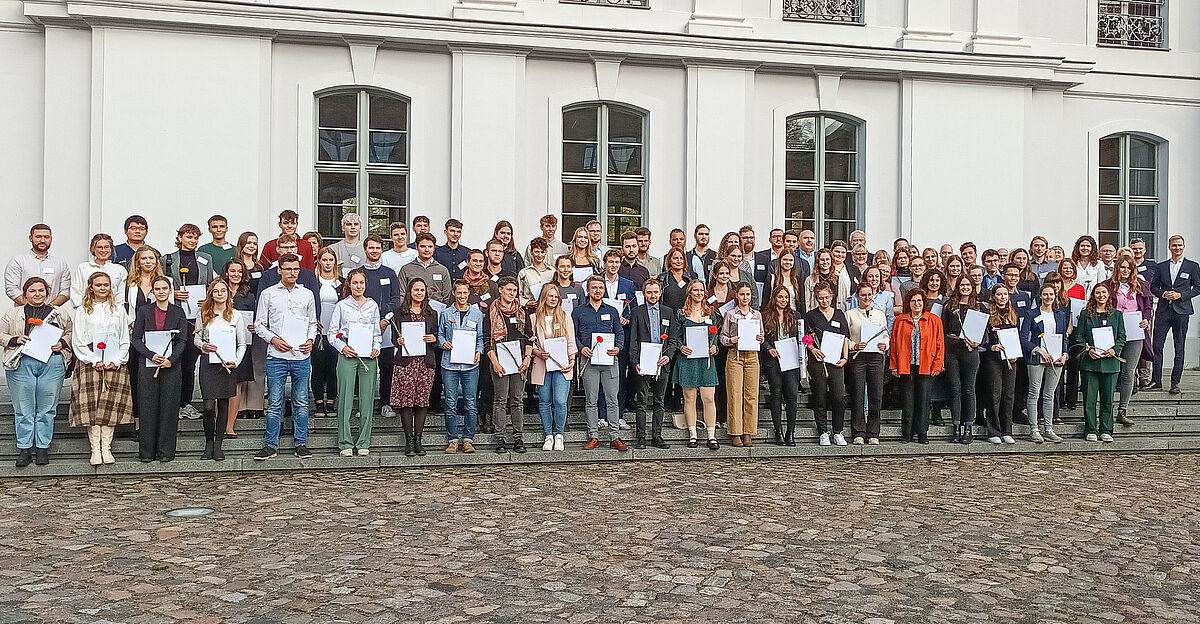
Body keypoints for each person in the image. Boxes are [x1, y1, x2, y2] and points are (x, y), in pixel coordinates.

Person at [253, 253, 318, 460]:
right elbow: (259, 325)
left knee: (301, 400)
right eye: (288, 269)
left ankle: (301, 443)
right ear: (279, 270)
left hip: (301, 355)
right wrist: (273, 340)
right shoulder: (268, 294)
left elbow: (312, 323)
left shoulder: (307, 294)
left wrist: (310, 340)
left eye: (296, 269)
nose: (292, 273)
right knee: (274, 402)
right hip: (277, 355)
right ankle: (271, 444)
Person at [2, 277, 72, 467]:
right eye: (32, 291)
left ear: (47, 293)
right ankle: (24, 448)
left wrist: (63, 343)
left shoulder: (59, 313)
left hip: (52, 362)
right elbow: (1, 334)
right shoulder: (13, 313)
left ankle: (42, 448)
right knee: (24, 408)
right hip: (21, 363)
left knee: (47, 408)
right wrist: (16, 339)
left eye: (41, 290)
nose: (37, 294)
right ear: (25, 295)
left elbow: (71, 333)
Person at [69, 272, 133, 465]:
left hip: (113, 362)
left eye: (106, 285)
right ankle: (95, 450)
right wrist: (91, 359)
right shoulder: (82, 310)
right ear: (91, 287)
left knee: (109, 406)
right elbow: (78, 340)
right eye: (99, 285)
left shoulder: (119, 309)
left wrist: (119, 359)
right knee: (93, 408)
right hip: (91, 362)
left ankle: (107, 448)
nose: (103, 288)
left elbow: (124, 338)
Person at [326, 268, 382, 456]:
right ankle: (345, 442)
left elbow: (376, 332)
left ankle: (364, 441)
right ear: (349, 285)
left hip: (368, 356)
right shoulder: (342, 306)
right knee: (346, 399)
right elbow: (332, 333)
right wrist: (343, 348)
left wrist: (377, 347)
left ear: (366, 285)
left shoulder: (372, 306)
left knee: (366, 400)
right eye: (355, 283)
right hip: (348, 355)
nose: (358, 286)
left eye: (362, 283)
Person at [193, 279, 248, 461]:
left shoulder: (236, 315)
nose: (219, 293)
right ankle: (208, 442)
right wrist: (203, 346)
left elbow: (242, 344)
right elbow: (196, 339)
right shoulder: (203, 314)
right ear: (211, 294)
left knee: (223, 404)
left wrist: (236, 362)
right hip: (209, 364)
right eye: (215, 291)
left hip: (227, 365)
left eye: (223, 290)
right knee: (209, 407)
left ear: (228, 293)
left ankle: (218, 445)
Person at [572, 275, 627, 451]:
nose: (597, 290)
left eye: (600, 288)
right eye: (594, 287)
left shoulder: (611, 311)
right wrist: (581, 348)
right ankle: (593, 435)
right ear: (588, 290)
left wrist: (618, 347)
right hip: (588, 360)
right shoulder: (578, 311)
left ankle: (614, 436)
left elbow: (619, 333)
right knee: (591, 400)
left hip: (610, 360)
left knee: (612, 399)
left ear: (604, 290)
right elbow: (573, 335)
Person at [390, 277, 439, 457]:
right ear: (410, 291)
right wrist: (398, 340)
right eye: (416, 289)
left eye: (422, 290)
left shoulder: (432, 313)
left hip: (425, 362)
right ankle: (409, 440)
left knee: (421, 402)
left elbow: (437, 337)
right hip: (406, 363)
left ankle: (419, 438)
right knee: (406, 402)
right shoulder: (399, 312)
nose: (419, 293)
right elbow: (393, 339)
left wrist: (434, 339)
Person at [669, 279, 720, 449]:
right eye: (695, 290)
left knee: (708, 398)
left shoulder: (711, 313)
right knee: (689, 397)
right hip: (688, 359)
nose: (698, 293)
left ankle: (711, 436)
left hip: (705, 361)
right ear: (689, 292)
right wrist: (681, 347)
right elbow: (675, 338)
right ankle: (693, 434)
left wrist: (714, 347)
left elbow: (716, 338)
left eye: (701, 290)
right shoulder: (681, 313)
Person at [1101, 256, 1152, 425]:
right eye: (1122, 267)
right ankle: (1106, 409)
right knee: (1112, 369)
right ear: (1117, 268)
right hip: (1114, 331)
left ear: (1132, 269)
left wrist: (1146, 319)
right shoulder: (1108, 285)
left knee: (1129, 371)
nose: (1125, 270)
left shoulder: (1141, 285)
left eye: (1128, 268)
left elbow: (1147, 306)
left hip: (1135, 329)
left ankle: (1122, 409)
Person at [890, 289, 944, 444]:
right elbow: (894, 344)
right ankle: (906, 433)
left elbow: (940, 343)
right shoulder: (900, 320)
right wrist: (894, 365)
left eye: (919, 300)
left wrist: (938, 364)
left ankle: (922, 433)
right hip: (906, 365)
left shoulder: (933, 320)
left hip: (926, 365)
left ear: (924, 302)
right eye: (913, 301)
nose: (916, 304)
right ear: (908, 303)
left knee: (924, 400)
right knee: (907, 400)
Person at [1073, 283, 1126, 442]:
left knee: (1107, 399)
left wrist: (1115, 349)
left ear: (1108, 295)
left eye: (1103, 292)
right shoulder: (1085, 314)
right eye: (1097, 293)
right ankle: (1091, 429)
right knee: (1089, 399)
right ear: (1093, 295)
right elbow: (1079, 336)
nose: (1101, 295)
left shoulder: (1117, 315)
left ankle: (1106, 429)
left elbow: (1122, 336)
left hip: (1110, 363)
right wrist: (1087, 350)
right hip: (1091, 362)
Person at [439, 280, 485, 454]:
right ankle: (452, 439)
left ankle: (468, 439)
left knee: (471, 402)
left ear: (469, 294)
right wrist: (444, 343)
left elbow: (480, 338)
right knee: (450, 402)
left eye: (465, 293)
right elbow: (440, 335)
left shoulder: (476, 314)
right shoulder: (445, 313)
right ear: (454, 293)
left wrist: (479, 351)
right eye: (459, 293)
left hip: (470, 365)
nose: (462, 296)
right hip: (449, 364)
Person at [486, 276, 531, 454]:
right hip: (499, 360)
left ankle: (518, 437)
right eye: (509, 290)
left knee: (517, 400)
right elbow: (486, 339)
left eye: (514, 290)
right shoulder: (491, 311)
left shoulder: (522, 312)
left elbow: (530, 337)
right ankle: (500, 438)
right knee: (500, 399)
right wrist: (495, 362)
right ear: (501, 290)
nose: (512, 293)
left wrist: (527, 358)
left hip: (519, 360)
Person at [1150, 235, 1200, 394]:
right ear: (1169, 247)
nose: (1177, 248)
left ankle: (1175, 382)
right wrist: (1163, 294)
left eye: (1179, 245)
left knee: (1179, 347)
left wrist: (1181, 296)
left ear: (1183, 246)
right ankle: (1156, 381)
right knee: (1157, 346)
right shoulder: (1161, 266)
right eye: (1174, 245)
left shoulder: (1192, 266)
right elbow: (1153, 287)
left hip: (1182, 311)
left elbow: (1198, 288)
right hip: (1164, 310)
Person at [1021, 283, 1070, 444]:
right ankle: (1034, 428)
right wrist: (1037, 350)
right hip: (1037, 358)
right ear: (1040, 296)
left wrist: (1065, 354)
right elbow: (1023, 338)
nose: (1048, 297)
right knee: (1034, 393)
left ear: (1055, 296)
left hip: (1056, 360)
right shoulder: (1031, 313)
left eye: (1051, 295)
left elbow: (1063, 338)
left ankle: (1048, 429)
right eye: (1045, 294)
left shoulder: (1060, 315)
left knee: (1049, 394)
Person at [629, 278, 673, 450]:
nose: (653, 295)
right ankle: (641, 437)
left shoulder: (668, 312)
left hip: (662, 363)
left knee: (659, 400)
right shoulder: (637, 312)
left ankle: (657, 435)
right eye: (649, 292)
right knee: (641, 401)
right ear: (644, 294)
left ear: (660, 292)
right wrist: (634, 362)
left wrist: (668, 356)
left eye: (655, 292)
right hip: (643, 362)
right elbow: (632, 340)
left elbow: (674, 340)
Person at [804, 283, 850, 446]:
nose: (824, 301)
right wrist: (812, 349)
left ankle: (838, 431)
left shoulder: (839, 314)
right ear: (816, 298)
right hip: (818, 362)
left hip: (836, 362)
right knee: (820, 397)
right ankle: (823, 431)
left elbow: (845, 337)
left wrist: (845, 358)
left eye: (827, 298)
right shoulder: (811, 315)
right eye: (821, 298)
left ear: (832, 297)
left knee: (838, 397)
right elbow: (806, 337)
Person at [719, 281, 763, 447]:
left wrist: (760, 339)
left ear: (751, 296)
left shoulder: (757, 315)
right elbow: (722, 338)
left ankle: (748, 431)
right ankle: (735, 432)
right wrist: (731, 340)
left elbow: (762, 335)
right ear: (736, 296)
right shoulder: (730, 314)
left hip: (752, 356)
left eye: (748, 294)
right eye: (742, 294)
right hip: (735, 356)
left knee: (751, 395)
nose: (745, 297)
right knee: (735, 394)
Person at [846, 282, 889, 446]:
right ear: (857, 296)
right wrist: (854, 345)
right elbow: (846, 338)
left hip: (876, 357)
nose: (866, 298)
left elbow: (885, 334)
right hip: (858, 356)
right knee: (857, 394)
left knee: (875, 396)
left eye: (869, 295)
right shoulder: (850, 314)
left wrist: (886, 344)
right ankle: (858, 432)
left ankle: (873, 433)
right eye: (863, 295)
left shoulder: (879, 314)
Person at [942, 276, 984, 443]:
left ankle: (968, 427)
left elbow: (986, 332)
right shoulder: (949, 305)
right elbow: (943, 328)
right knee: (955, 388)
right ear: (957, 286)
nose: (965, 287)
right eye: (962, 285)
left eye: (968, 285)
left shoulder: (979, 307)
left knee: (968, 389)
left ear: (973, 287)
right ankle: (956, 427)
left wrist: (979, 341)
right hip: (952, 349)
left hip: (970, 350)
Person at [760, 285, 801, 446]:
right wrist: (769, 349)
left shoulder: (795, 315)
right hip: (773, 361)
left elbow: (802, 336)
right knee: (776, 395)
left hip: (790, 360)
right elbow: (761, 337)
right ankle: (778, 431)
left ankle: (790, 432)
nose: (783, 300)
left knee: (791, 395)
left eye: (785, 297)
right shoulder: (766, 316)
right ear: (774, 298)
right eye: (780, 297)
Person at [980, 284, 1020, 445]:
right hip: (993, 358)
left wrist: (1016, 353)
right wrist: (992, 346)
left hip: (1011, 358)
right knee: (994, 394)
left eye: (1005, 294)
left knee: (1008, 395)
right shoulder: (988, 313)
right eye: (999, 294)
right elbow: (983, 338)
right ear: (994, 296)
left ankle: (1007, 430)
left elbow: (1017, 336)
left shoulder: (1012, 313)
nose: (1003, 297)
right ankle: (993, 430)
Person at [224, 259, 261, 431]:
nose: (236, 274)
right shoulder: (218, 291)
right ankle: (221, 417)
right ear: (226, 273)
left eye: (239, 272)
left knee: (238, 380)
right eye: (233, 271)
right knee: (222, 379)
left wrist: (253, 325)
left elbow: (254, 316)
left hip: (241, 342)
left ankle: (232, 419)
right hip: (221, 343)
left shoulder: (249, 295)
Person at [5, 224, 71, 307]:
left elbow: (66, 291)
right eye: (38, 237)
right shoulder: (18, 261)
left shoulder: (61, 264)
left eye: (46, 237)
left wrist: (48, 309)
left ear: (51, 239)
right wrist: (31, 307)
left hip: (51, 315)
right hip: (24, 314)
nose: (42, 240)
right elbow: (11, 289)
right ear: (30, 238)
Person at [311, 247, 342, 414]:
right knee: (317, 367)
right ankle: (318, 401)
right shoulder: (313, 282)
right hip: (317, 332)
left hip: (335, 333)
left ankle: (330, 401)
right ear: (319, 261)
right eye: (325, 260)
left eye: (331, 260)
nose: (328, 263)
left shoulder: (341, 283)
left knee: (333, 367)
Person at [71, 234, 128, 308]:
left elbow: (121, 295)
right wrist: (83, 309)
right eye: (99, 247)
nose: (103, 250)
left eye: (106, 247)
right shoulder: (83, 268)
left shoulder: (119, 270)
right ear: (93, 249)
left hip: (112, 313)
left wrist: (115, 310)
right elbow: (76, 291)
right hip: (87, 311)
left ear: (111, 249)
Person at [399, 233, 453, 305]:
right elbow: (402, 295)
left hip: (437, 312)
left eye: (430, 246)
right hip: (412, 312)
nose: (426, 250)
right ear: (416, 247)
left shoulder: (442, 270)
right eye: (423, 246)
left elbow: (447, 296)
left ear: (434, 248)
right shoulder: (406, 269)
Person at [518, 238, 555, 309]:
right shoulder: (523, 273)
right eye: (537, 252)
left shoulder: (552, 271)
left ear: (546, 252)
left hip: (548, 309)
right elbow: (518, 294)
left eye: (542, 252)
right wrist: (526, 303)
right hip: (530, 309)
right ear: (531, 252)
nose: (540, 255)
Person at [658, 248, 696, 314]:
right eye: (675, 258)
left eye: (681, 258)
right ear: (669, 260)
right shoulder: (662, 278)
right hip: (668, 315)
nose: (679, 261)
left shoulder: (692, 277)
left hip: (687, 315)